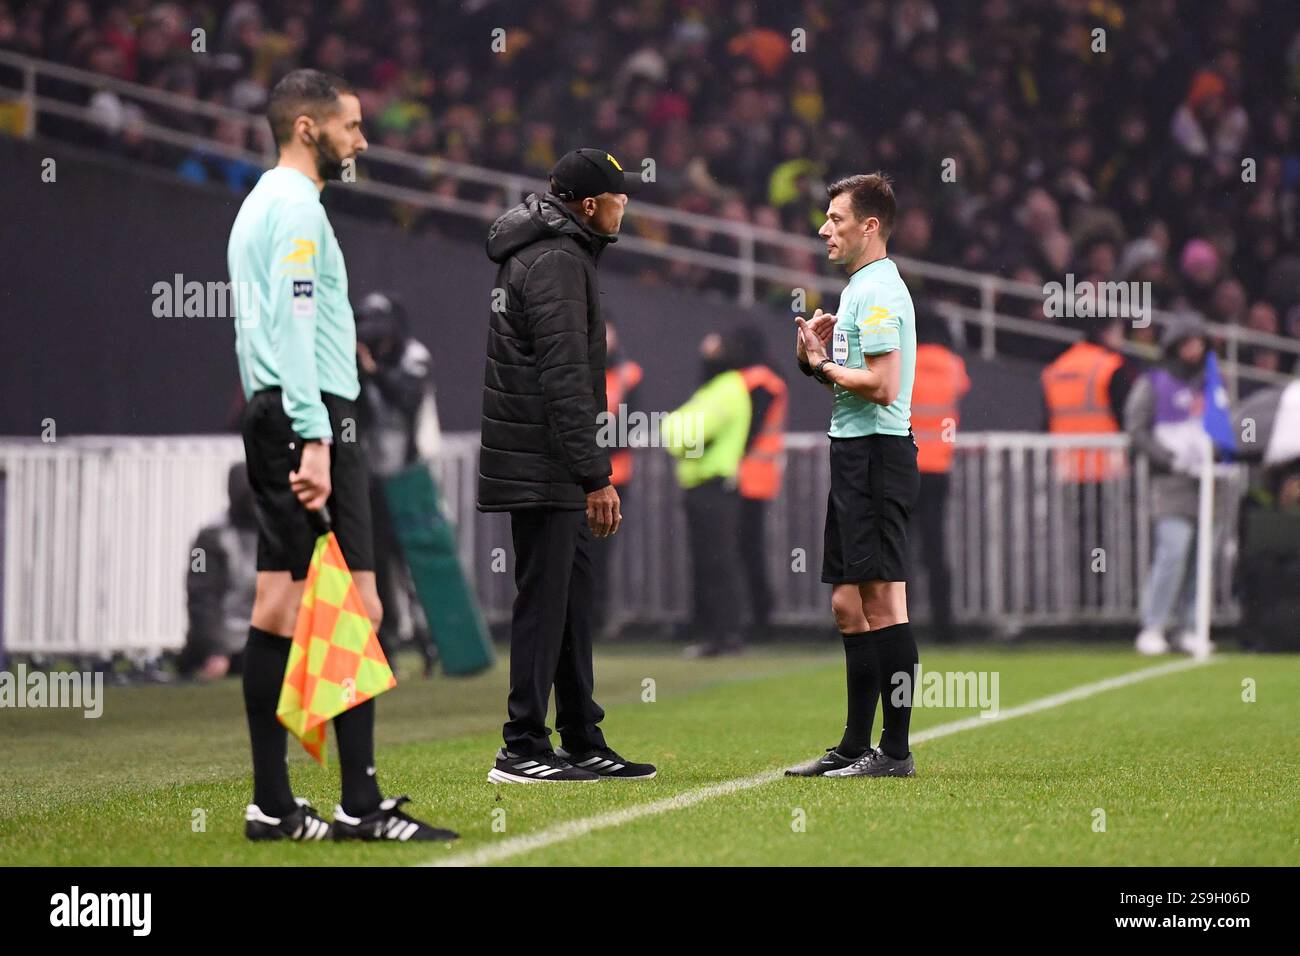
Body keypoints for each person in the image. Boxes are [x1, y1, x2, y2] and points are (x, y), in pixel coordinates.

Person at [228, 69, 455, 841]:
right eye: (351, 126)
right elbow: (293, 325)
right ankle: (355, 805)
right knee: (351, 606)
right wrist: (316, 434)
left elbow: (267, 328)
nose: (361, 140)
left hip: (281, 412)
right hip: (314, 416)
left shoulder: (259, 204)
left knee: (286, 606)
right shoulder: (295, 209)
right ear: (307, 128)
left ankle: (278, 803)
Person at [478, 148, 656, 783]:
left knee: (572, 604)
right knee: (544, 603)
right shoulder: (557, 260)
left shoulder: (558, 250)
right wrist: (594, 476)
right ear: (589, 205)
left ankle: (581, 737)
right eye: (618, 199)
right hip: (543, 462)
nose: (623, 208)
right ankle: (522, 747)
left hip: (547, 458)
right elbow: (563, 380)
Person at [786, 172, 921, 779]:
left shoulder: (880, 291)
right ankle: (852, 745)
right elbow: (856, 377)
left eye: (836, 219)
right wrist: (818, 363)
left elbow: (884, 385)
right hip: (854, 452)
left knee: (883, 600)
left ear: (870, 226)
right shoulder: (862, 291)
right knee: (847, 601)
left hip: (878, 454)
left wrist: (823, 364)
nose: (824, 229)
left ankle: (894, 752)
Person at [354, 290, 439, 674]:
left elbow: (409, 398)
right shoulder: (357, 361)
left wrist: (374, 371)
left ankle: (431, 643)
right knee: (377, 566)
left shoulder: (413, 356)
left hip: (411, 476)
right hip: (374, 479)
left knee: (418, 563)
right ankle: (385, 646)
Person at [1124, 315, 1216, 655]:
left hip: (1206, 482)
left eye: (1200, 343)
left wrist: (1215, 453)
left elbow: (1226, 422)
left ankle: (1190, 625)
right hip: (1172, 480)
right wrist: (1167, 458)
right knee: (1173, 551)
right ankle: (1153, 624)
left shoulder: (1211, 383)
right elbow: (1136, 429)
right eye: (1189, 342)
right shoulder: (1154, 382)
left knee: (1200, 559)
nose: (1195, 349)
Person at [663, 331, 753, 658]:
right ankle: (716, 635)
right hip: (703, 489)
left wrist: (675, 431)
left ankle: (725, 635)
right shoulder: (714, 390)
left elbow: (685, 433)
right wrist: (676, 431)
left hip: (715, 488)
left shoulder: (726, 389)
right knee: (708, 564)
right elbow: (676, 432)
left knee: (718, 564)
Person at [909, 309, 970, 644]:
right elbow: (961, 390)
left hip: (900, 468)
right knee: (935, 551)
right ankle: (943, 626)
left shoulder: (901, 361)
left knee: (896, 551)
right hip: (937, 470)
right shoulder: (954, 366)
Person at [179, 464, 258, 681]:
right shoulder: (206, 540)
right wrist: (215, 650)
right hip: (226, 647)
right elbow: (200, 599)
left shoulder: (279, 532)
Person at [735, 326, 788, 636]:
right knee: (750, 549)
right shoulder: (771, 378)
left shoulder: (758, 380)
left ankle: (760, 618)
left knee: (746, 550)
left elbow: (748, 430)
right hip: (759, 477)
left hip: (747, 477)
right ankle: (760, 616)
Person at [591, 319, 642, 640]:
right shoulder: (575, 372)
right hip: (581, 477)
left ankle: (598, 616)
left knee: (602, 552)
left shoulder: (628, 374)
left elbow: (628, 426)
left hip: (614, 476)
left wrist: (592, 443)